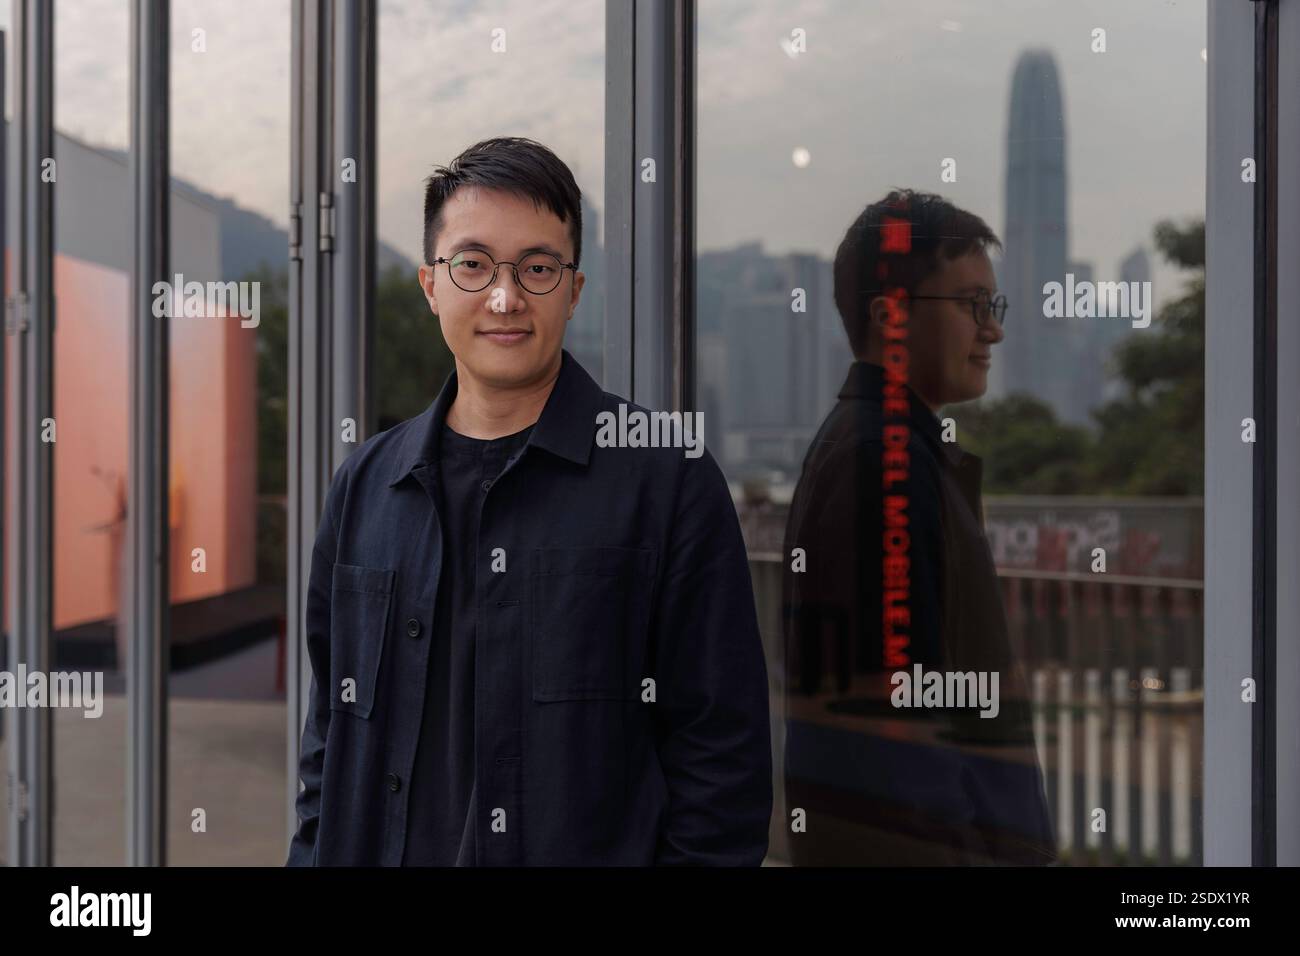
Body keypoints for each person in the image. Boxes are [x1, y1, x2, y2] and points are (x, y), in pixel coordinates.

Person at [287, 136, 772, 866]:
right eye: (474, 264)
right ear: (431, 284)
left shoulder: (664, 480)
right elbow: (329, 739)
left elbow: (722, 765)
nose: (505, 297)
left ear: (574, 291)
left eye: (538, 268)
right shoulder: (365, 485)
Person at [781, 188, 1056, 865]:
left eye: (993, 306)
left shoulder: (892, 449)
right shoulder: (880, 463)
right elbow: (893, 742)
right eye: (971, 306)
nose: (991, 330)